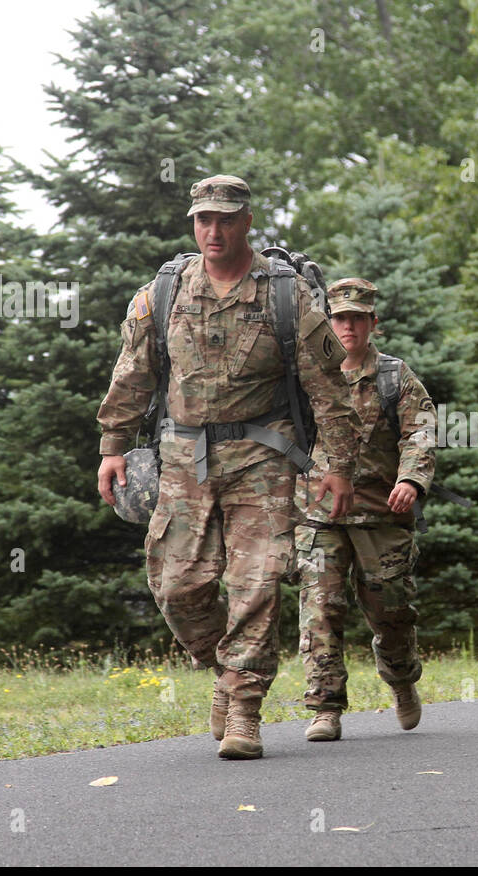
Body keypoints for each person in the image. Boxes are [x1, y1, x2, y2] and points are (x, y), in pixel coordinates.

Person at [95, 175, 358, 760]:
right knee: (176, 586)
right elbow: (132, 374)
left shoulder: (286, 296)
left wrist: (334, 466)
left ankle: (244, 709)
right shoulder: (163, 292)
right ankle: (223, 667)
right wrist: (114, 446)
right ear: (194, 222)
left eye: (227, 219)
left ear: (247, 220)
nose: (214, 231)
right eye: (203, 219)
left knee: (255, 584)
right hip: (183, 459)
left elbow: (330, 392)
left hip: (264, 456)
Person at [293, 278, 436, 741]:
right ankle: (324, 707)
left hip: (381, 512)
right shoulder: (309, 373)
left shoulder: (394, 377)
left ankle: (401, 678)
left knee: (391, 610)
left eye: (357, 318)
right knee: (320, 608)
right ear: (327, 324)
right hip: (320, 513)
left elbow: (420, 431)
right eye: (339, 318)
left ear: (373, 323)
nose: (348, 326)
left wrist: (411, 479)